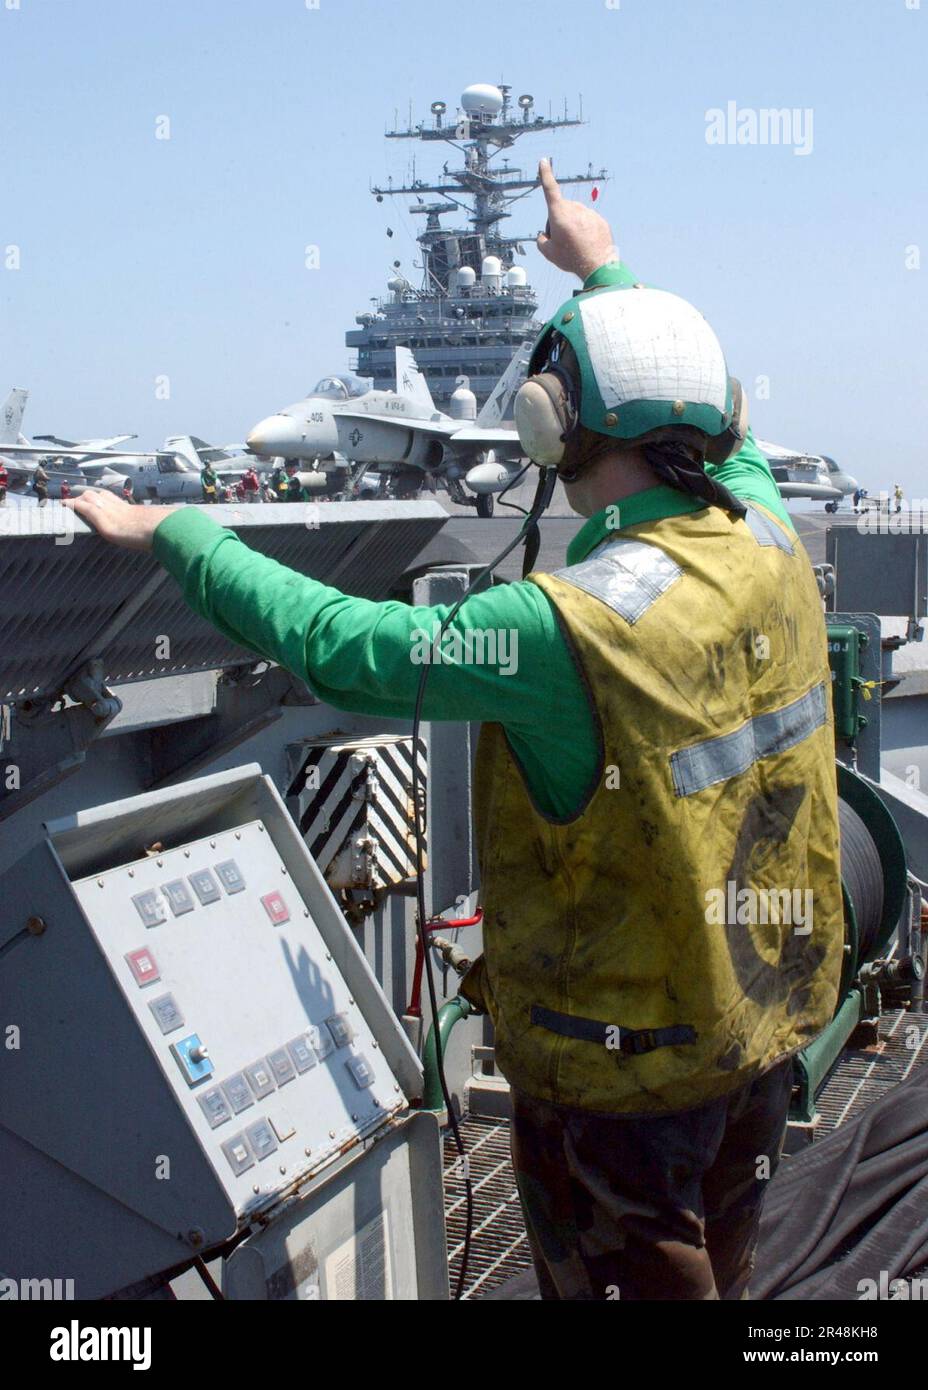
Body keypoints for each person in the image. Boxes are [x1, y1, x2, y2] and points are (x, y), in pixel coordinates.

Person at [65, 159, 843, 1301]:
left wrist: (181, 531)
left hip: (617, 1089)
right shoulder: (769, 531)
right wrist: (603, 266)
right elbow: (722, 441)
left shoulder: (559, 628)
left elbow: (340, 642)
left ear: (548, 426)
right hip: (759, 1034)